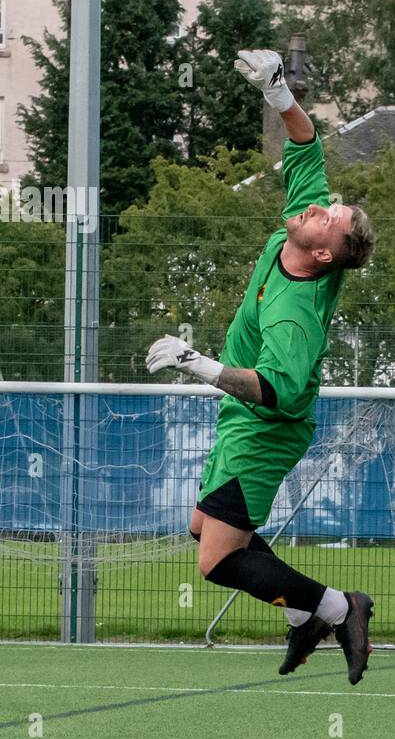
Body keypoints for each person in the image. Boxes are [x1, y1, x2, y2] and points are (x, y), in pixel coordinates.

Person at [146, 50, 377, 683]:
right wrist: (280, 92)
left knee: (217, 561)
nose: (322, 205)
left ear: (326, 251)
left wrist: (196, 363)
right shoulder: (294, 233)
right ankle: (307, 620)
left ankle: (338, 607)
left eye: (331, 215)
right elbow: (307, 145)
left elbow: (273, 390)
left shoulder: (295, 315)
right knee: (204, 527)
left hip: (264, 427)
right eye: (327, 204)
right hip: (240, 417)